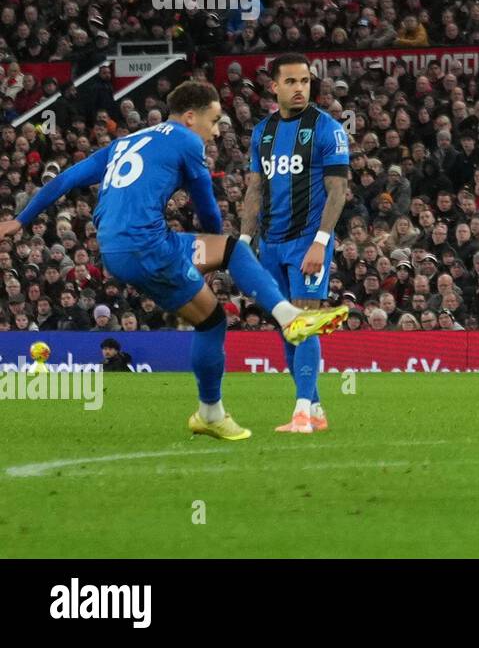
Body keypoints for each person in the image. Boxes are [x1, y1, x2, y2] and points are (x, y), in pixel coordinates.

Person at [0, 80, 347, 440]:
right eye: (213, 122)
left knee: (211, 320)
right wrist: (216, 252)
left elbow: (66, 179)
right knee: (232, 249)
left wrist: (21, 219)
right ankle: (289, 317)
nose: (214, 133)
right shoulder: (186, 140)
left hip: (114, 249)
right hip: (147, 244)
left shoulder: (125, 142)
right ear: (189, 117)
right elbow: (207, 207)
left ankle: (211, 413)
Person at [241, 54, 351, 434]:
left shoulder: (327, 129)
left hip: (308, 241)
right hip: (270, 244)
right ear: (274, 86)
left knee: (304, 322)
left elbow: (338, 191)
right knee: (287, 325)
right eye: (291, 81)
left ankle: (302, 410)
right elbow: (255, 188)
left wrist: (320, 242)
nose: (300, 88)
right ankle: (315, 408)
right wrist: (243, 240)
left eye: (305, 81)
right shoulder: (263, 132)